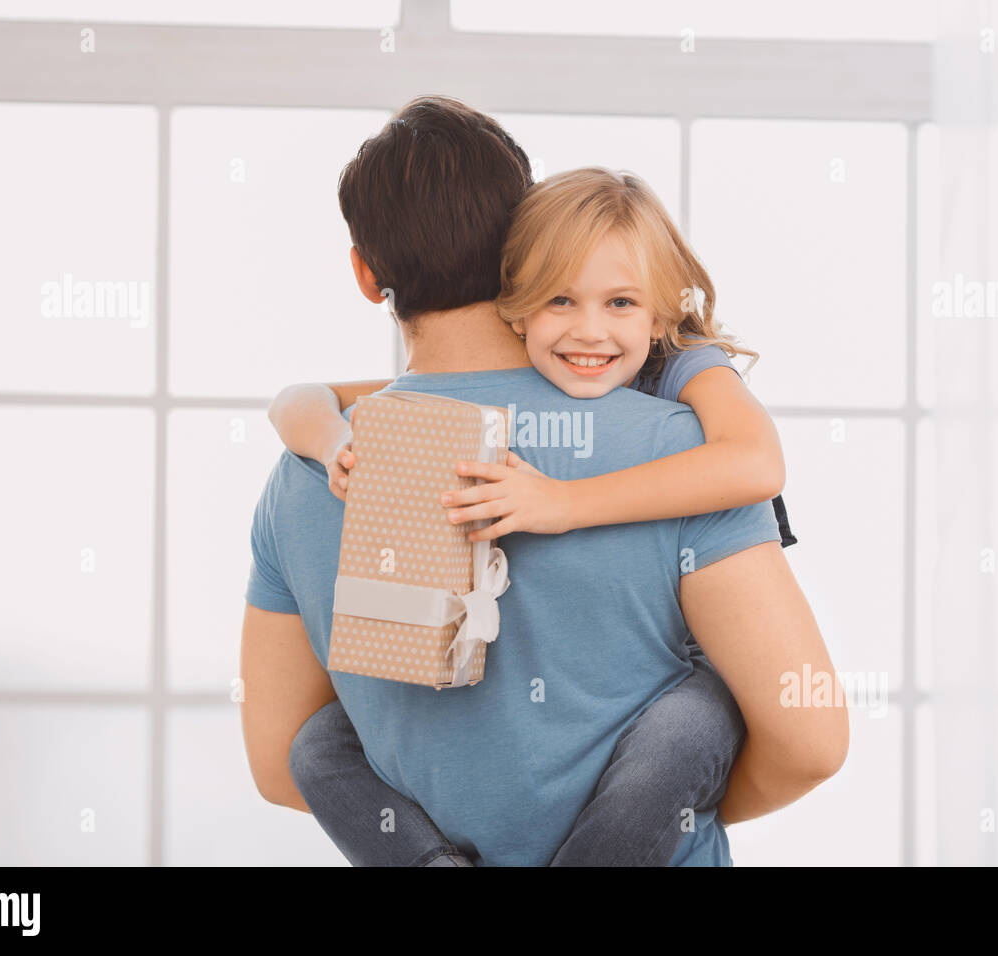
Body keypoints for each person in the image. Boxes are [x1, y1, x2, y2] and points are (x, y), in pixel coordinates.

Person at [240, 95, 848, 867]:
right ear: (519, 248)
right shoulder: (682, 454)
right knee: (703, 709)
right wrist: (667, 815)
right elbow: (812, 740)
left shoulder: (308, 476)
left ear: (366, 273)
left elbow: (280, 766)